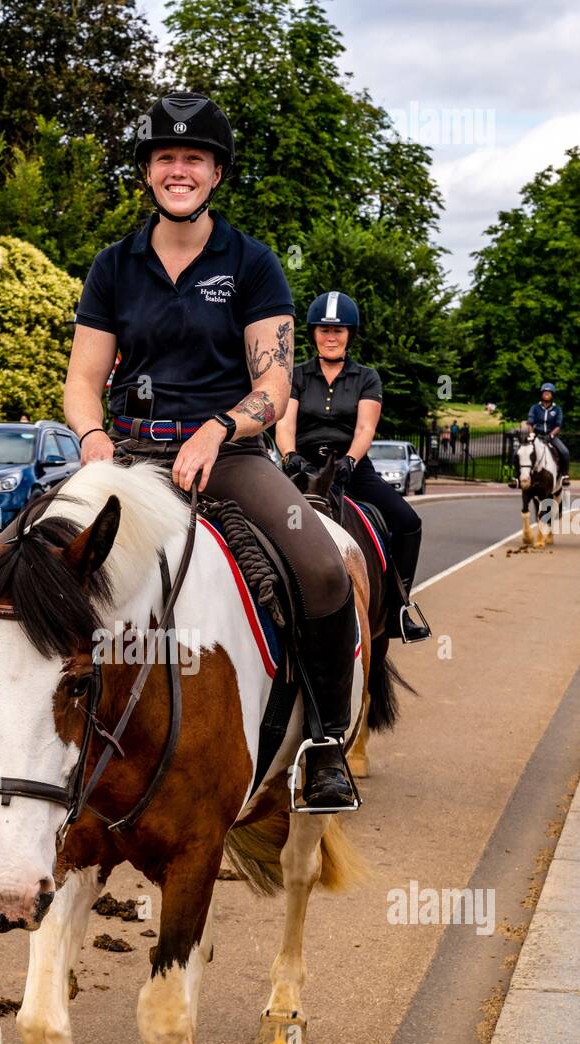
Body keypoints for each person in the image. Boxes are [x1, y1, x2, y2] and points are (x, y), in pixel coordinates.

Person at [64, 90, 358, 810]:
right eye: (165, 157)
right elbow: (81, 379)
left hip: (227, 455)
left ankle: (322, 744)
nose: (178, 169)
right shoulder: (113, 264)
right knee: (24, 565)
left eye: (193, 158)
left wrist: (220, 426)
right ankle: (44, 753)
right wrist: (93, 436)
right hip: (129, 457)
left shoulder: (251, 263)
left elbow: (275, 381)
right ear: (146, 171)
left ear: (216, 173)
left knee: (320, 568)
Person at [276, 291, 429, 644]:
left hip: (350, 467)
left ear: (350, 335)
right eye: (324, 330)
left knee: (408, 522)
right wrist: (289, 455)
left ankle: (398, 609)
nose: (331, 336)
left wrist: (349, 461)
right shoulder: (295, 375)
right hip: (303, 468)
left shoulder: (367, 377)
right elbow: (285, 425)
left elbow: (365, 429)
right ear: (313, 333)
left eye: (339, 330)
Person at [528, 382, 569, 481]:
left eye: (549, 393)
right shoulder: (535, 408)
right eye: (544, 392)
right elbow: (530, 423)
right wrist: (531, 434)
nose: (546, 394)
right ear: (541, 394)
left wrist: (550, 436)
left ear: (552, 395)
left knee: (565, 452)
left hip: (551, 436)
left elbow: (558, 426)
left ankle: (564, 475)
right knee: (520, 451)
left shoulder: (557, 409)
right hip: (537, 436)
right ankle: (517, 477)